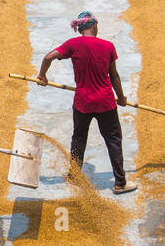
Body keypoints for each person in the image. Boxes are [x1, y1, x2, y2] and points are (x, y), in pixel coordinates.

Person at [37, 11, 135, 194]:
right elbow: (114, 76)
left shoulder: (72, 44)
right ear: (95, 26)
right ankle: (120, 183)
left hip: (82, 102)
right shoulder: (108, 46)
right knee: (113, 140)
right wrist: (121, 98)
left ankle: (74, 175)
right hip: (106, 102)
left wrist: (42, 76)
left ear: (80, 29)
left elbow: (48, 57)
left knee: (79, 138)